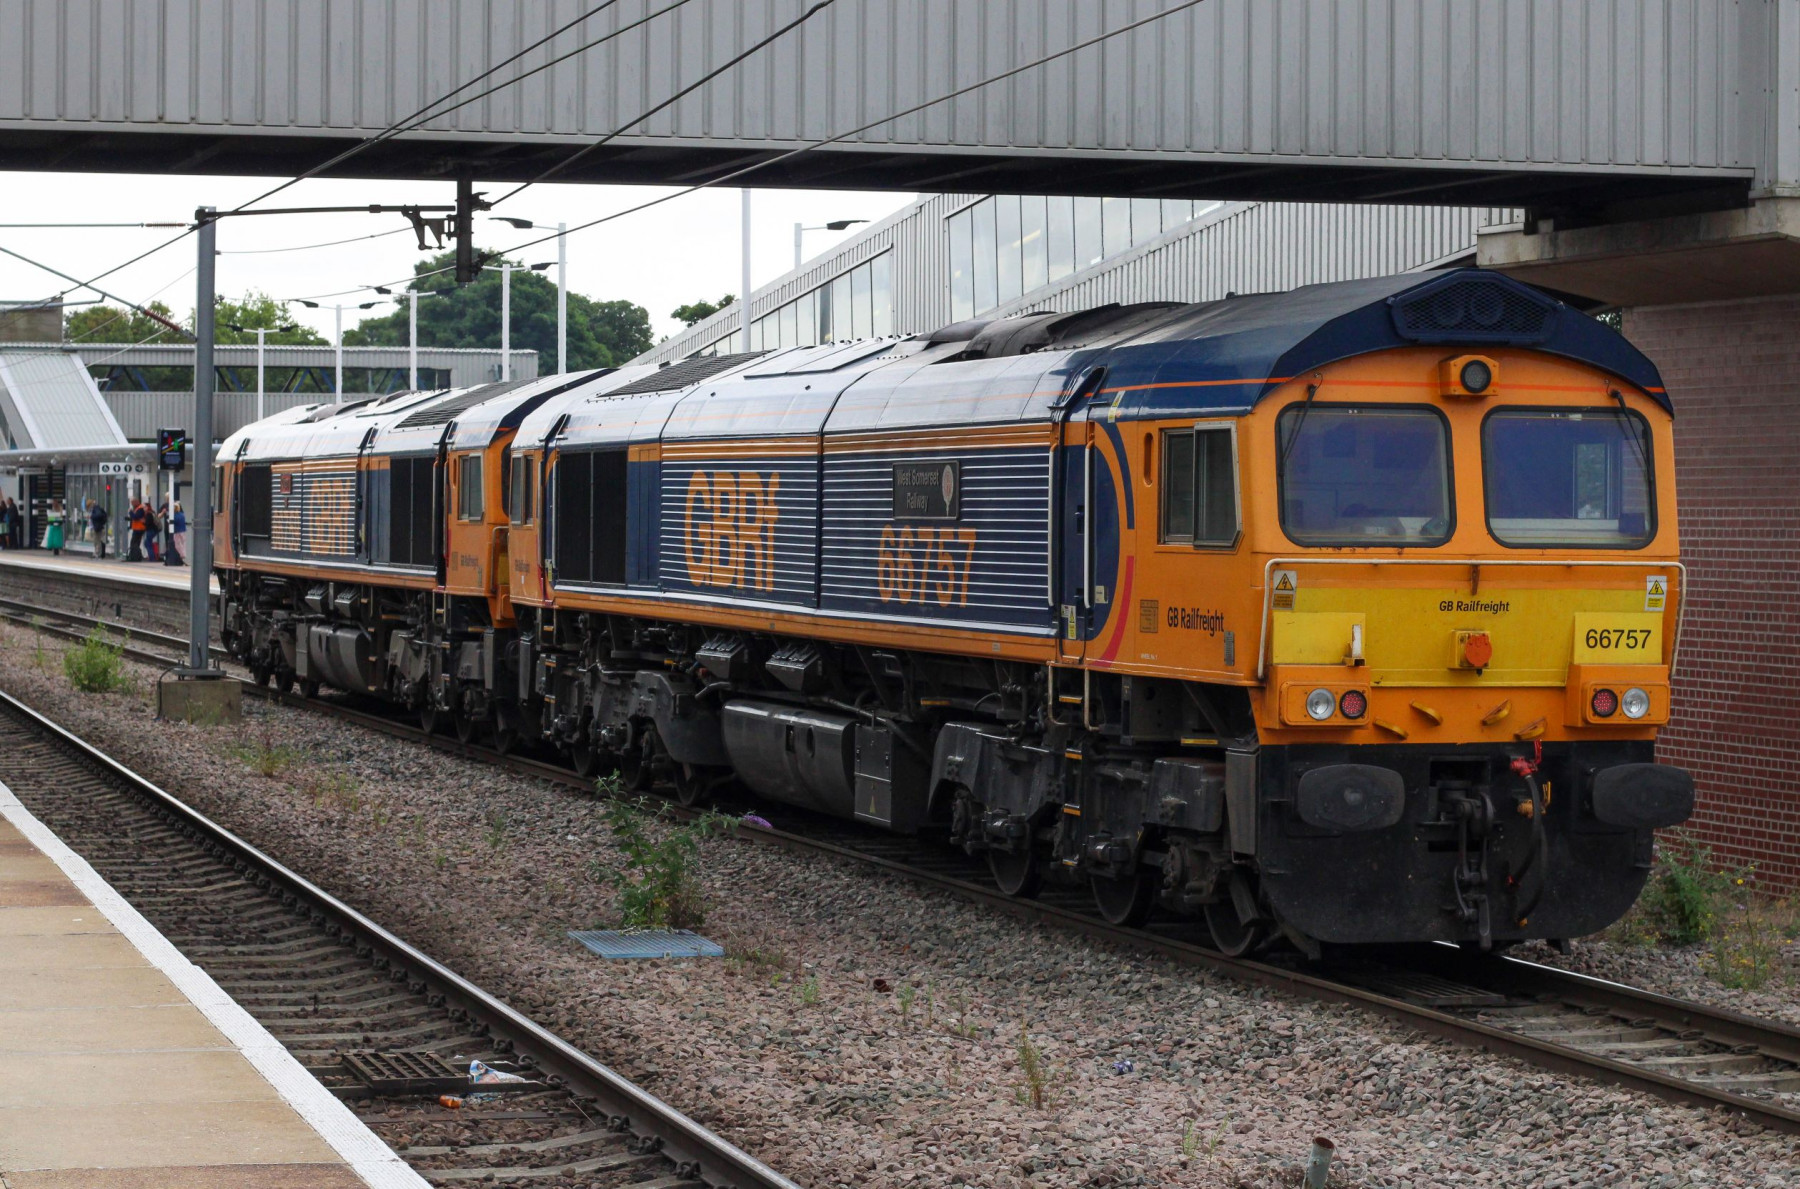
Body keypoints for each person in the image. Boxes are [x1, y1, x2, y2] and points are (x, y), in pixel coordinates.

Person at [126, 497, 147, 562]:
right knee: (135, 542)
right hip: (136, 528)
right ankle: (134, 555)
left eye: (132, 503)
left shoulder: (140, 509)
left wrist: (130, 512)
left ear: (136, 502)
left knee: (134, 542)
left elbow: (136, 517)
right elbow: (135, 518)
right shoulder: (137, 508)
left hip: (139, 528)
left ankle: (135, 556)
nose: (132, 505)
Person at [170, 501, 187, 566]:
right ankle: (183, 556)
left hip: (177, 531)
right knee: (183, 544)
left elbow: (173, 521)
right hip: (183, 531)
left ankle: (181, 556)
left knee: (177, 545)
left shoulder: (175, 515)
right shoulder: (182, 514)